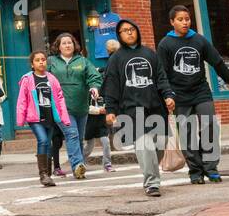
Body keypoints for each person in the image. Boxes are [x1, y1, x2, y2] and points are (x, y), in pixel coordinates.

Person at [157, 5, 229, 185]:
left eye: (187, 19)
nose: (185, 22)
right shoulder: (165, 44)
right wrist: (167, 95)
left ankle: (211, 168)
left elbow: (217, 62)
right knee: (187, 134)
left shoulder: (199, 40)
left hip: (201, 91)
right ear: (172, 22)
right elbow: (162, 73)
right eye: (180, 19)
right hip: (179, 94)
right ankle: (195, 171)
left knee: (210, 127)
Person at [103, 20, 173, 197]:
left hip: (156, 107)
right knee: (145, 145)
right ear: (119, 35)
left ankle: (152, 170)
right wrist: (111, 109)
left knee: (160, 146)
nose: (129, 33)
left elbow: (161, 77)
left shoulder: (150, 53)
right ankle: (152, 183)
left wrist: (168, 95)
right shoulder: (116, 58)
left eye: (131, 29)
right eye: (124, 31)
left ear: (137, 31)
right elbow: (111, 85)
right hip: (132, 109)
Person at [16, 50, 84, 185]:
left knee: (48, 144)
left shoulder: (52, 78)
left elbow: (60, 99)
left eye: (43, 59)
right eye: (37, 60)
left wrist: (64, 118)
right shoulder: (28, 79)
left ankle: (47, 174)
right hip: (35, 118)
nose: (41, 62)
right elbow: (22, 99)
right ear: (32, 64)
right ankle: (43, 174)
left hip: (50, 118)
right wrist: (21, 118)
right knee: (43, 141)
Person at [47, 33, 102, 179]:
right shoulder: (51, 61)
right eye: (63, 43)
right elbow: (42, 78)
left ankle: (79, 166)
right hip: (61, 107)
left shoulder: (82, 61)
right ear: (58, 47)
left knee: (78, 138)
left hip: (81, 107)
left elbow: (94, 76)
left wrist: (94, 87)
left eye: (69, 42)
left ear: (74, 45)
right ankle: (77, 164)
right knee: (72, 134)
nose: (67, 45)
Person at [84, 39, 118, 171]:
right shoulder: (89, 91)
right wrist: (99, 111)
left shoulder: (105, 90)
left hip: (101, 121)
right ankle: (80, 161)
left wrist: (108, 109)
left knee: (106, 143)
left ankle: (107, 164)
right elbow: (86, 108)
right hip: (91, 120)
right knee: (89, 146)